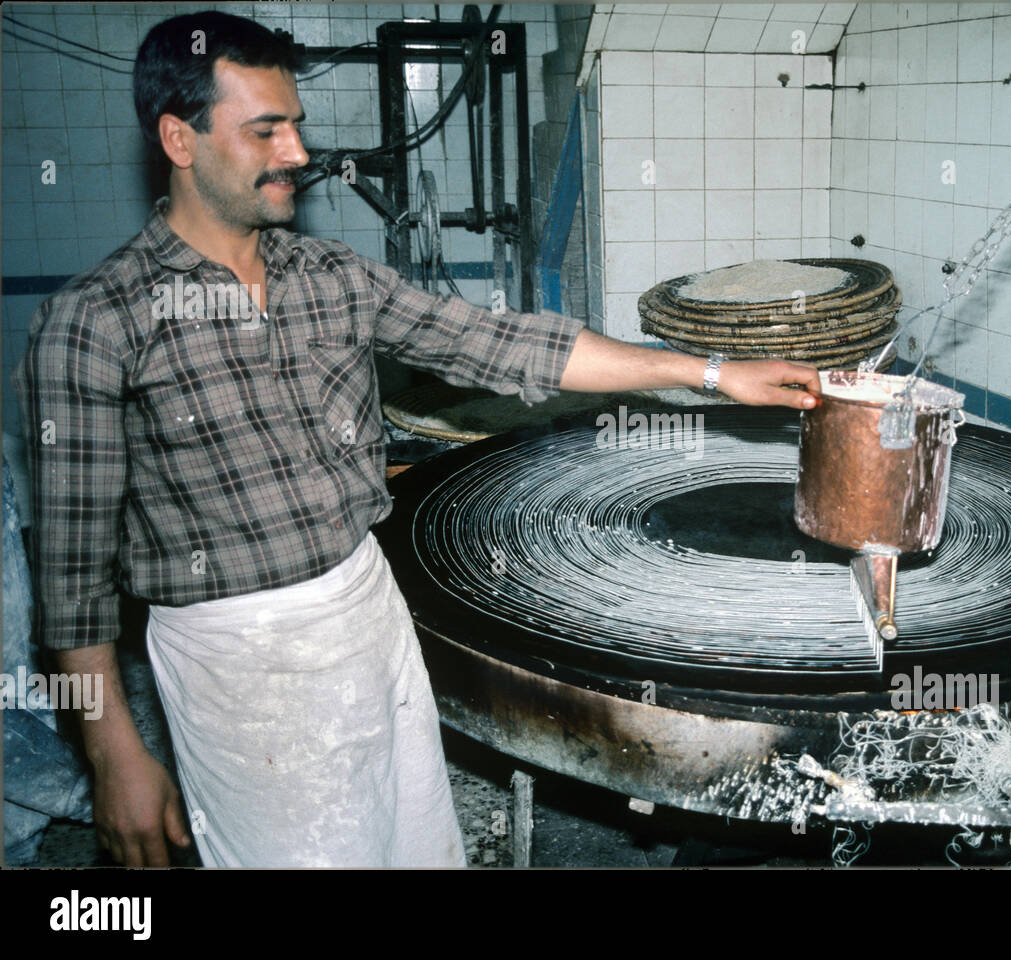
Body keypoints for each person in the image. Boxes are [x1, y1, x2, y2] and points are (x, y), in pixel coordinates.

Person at [14, 11, 821, 868]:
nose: (298, 153)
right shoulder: (94, 322)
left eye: (296, 126)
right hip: (236, 661)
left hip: (368, 607)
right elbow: (71, 575)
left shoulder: (328, 277)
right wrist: (112, 753)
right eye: (265, 131)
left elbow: (506, 344)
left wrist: (711, 372)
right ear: (179, 138)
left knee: (417, 848)